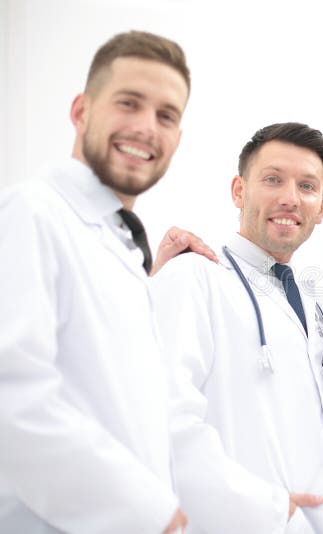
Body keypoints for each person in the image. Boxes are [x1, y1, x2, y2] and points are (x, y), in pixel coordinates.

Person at [0, 30, 210, 533]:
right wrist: (150, 514)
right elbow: (12, 398)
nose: (145, 128)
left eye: (166, 115)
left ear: (177, 139)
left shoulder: (118, 245)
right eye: (129, 103)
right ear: (81, 111)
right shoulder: (32, 213)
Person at [150, 122, 323, 533]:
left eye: (306, 186)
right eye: (272, 180)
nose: (290, 198)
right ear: (239, 191)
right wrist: (266, 507)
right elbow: (163, 419)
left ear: (321, 208)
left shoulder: (313, 299)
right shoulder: (194, 276)